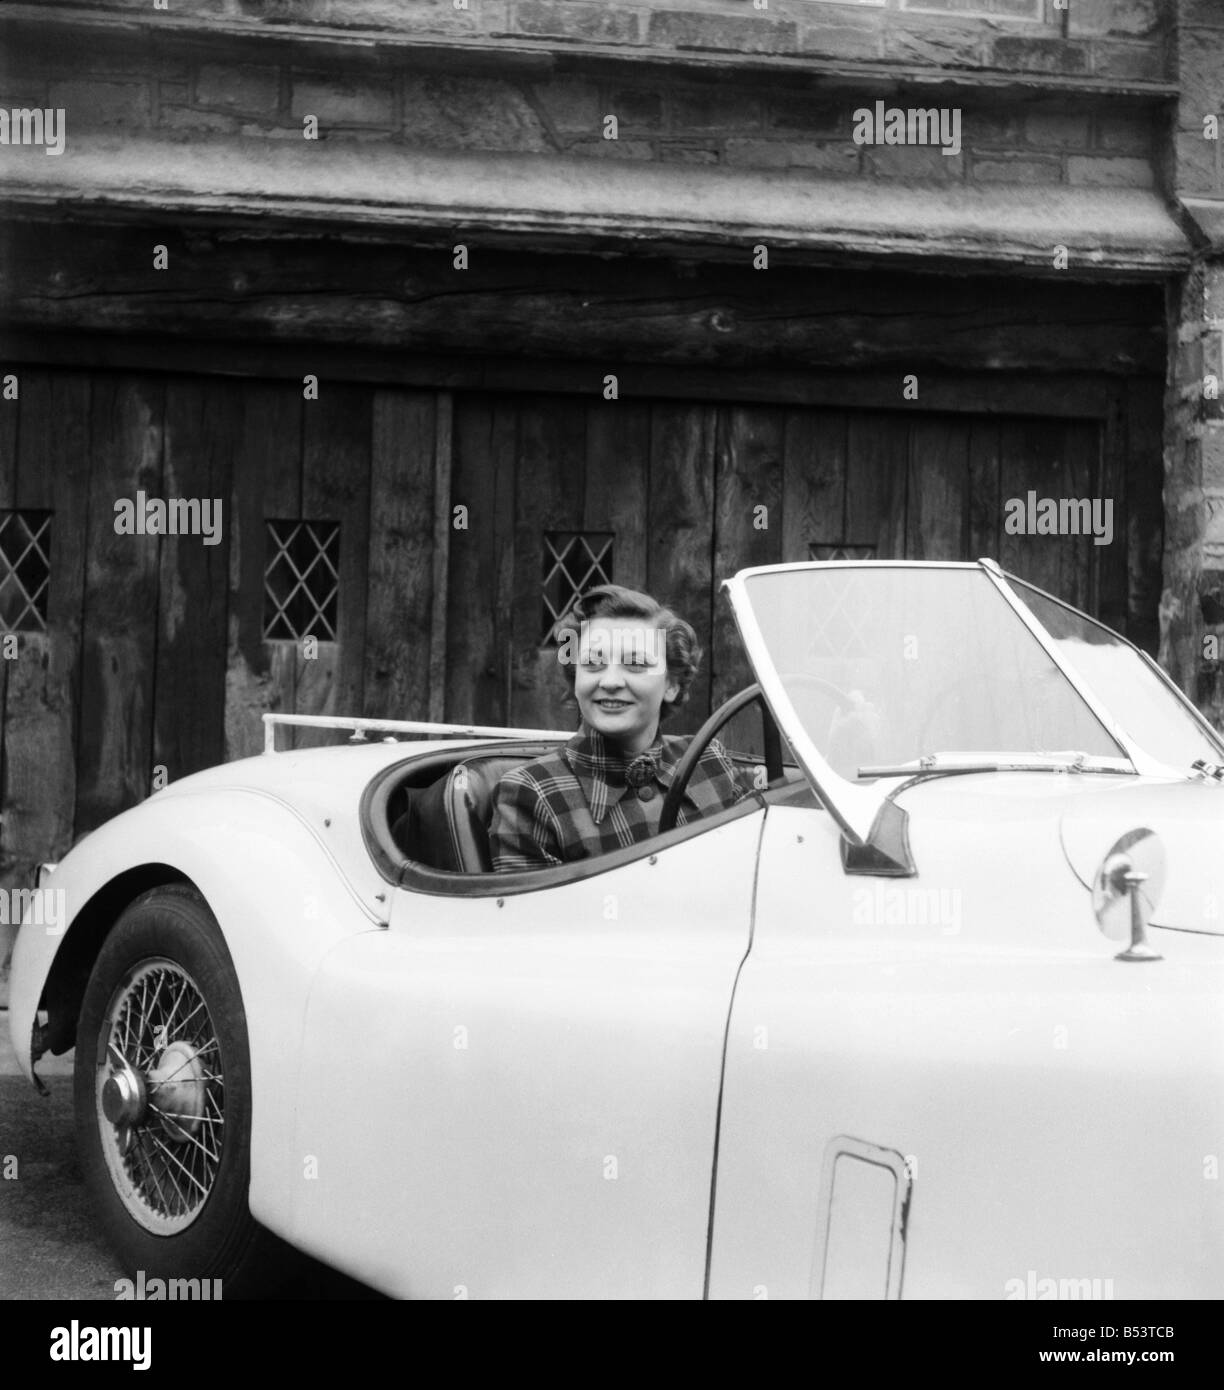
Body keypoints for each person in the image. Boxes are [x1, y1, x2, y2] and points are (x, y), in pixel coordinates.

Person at [489, 584, 751, 872]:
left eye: (636, 663)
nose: (610, 681)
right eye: (593, 662)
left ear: (672, 685)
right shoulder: (531, 792)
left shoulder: (709, 760)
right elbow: (534, 915)